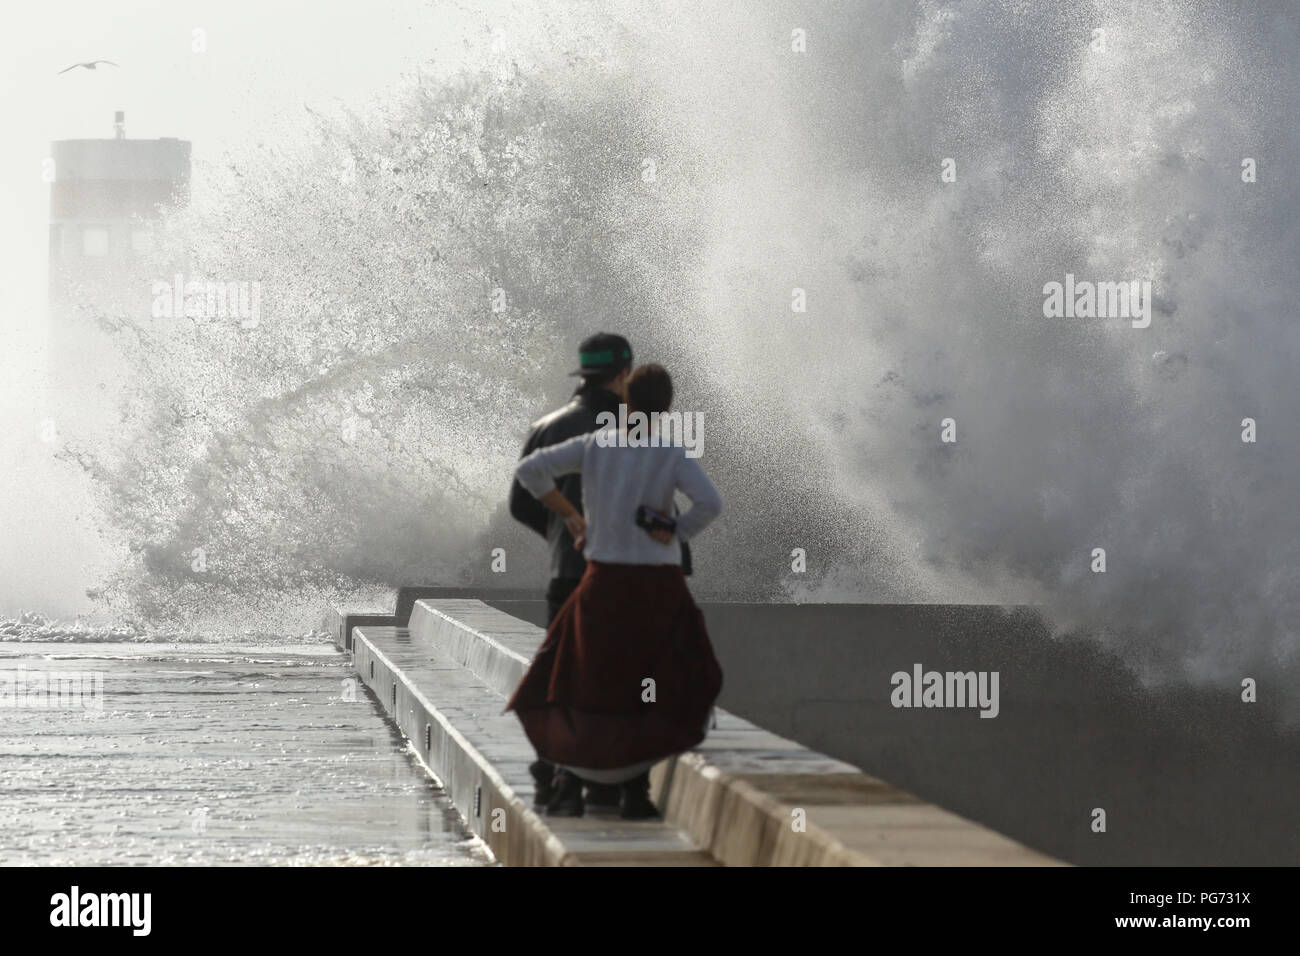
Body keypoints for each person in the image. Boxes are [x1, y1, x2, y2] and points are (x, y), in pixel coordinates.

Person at [507, 364, 723, 819]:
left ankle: (567, 787)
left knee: (585, 682)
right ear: (666, 407)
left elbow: (531, 471)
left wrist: (571, 517)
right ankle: (635, 793)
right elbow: (710, 504)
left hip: (603, 581)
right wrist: (676, 529)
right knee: (655, 683)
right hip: (659, 588)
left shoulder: (596, 446)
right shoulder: (670, 453)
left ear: (626, 399)